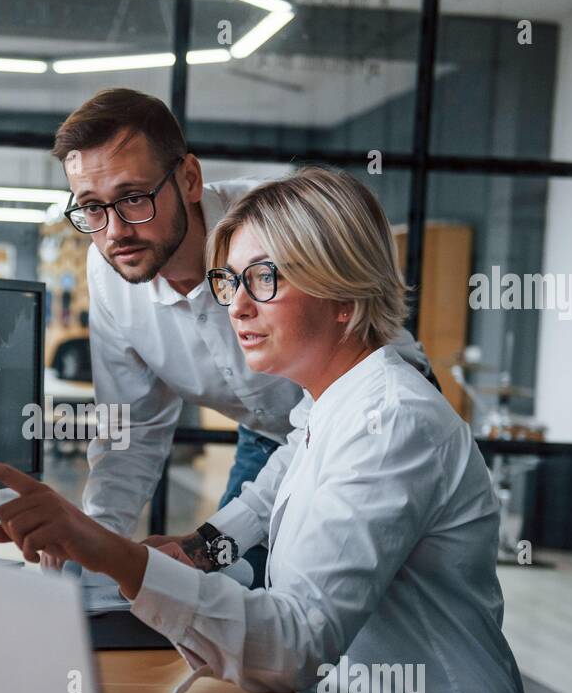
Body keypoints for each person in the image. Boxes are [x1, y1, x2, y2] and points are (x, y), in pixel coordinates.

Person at [0, 167, 536, 693]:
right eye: (229, 282)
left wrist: (111, 550)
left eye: (265, 279)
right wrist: (194, 551)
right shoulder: (330, 400)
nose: (236, 306)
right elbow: (270, 490)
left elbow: (294, 642)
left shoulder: (390, 420)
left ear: (345, 294)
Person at [52, 88, 432, 584]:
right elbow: (134, 428)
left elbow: (343, 392)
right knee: (226, 583)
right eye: (92, 208)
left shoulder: (273, 226)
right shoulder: (110, 272)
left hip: (364, 416)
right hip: (267, 438)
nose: (113, 232)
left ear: (190, 178)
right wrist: (97, 552)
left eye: (132, 199)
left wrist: (201, 549)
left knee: (353, 599)